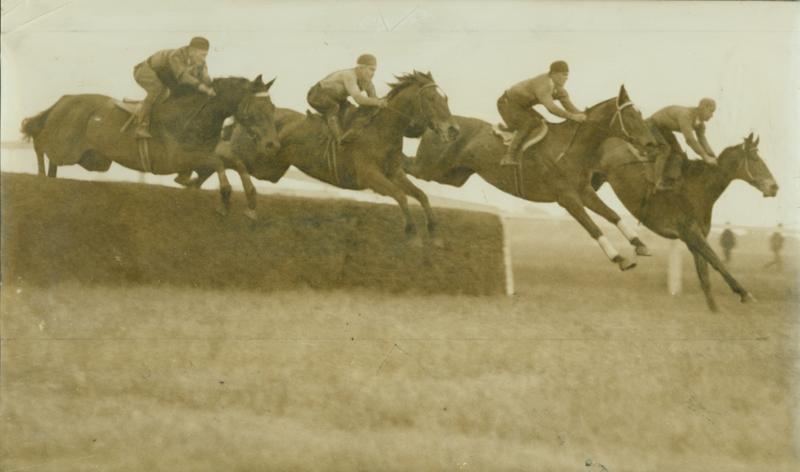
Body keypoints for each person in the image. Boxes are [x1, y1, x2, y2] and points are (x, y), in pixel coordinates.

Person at [496, 60, 586, 166]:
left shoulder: (560, 90)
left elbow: (570, 108)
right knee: (528, 124)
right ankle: (509, 156)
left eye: (567, 75)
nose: (566, 78)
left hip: (522, 106)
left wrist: (585, 114)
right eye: (564, 75)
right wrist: (573, 117)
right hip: (507, 104)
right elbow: (551, 108)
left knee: (542, 123)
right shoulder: (544, 84)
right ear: (554, 74)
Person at [133, 36, 216, 138]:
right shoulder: (176, 55)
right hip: (144, 71)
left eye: (206, 55)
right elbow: (182, 76)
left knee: (174, 95)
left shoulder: (201, 63)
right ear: (192, 51)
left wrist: (214, 88)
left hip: (162, 76)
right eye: (202, 55)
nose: (204, 58)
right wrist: (202, 87)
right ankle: (141, 126)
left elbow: (205, 78)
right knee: (158, 90)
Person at [306, 54, 387, 144]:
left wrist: (381, 102)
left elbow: (374, 99)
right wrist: (378, 102)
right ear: (361, 68)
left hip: (337, 98)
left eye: (374, 70)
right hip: (317, 94)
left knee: (352, 111)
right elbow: (359, 99)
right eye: (371, 69)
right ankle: (339, 138)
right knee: (334, 108)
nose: (373, 74)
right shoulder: (349, 75)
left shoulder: (368, 83)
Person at [647, 98, 717, 191]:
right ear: (703, 107)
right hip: (652, 125)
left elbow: (702, 140)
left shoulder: (700, 124)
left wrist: (713, 156)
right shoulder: (686, 114)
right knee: (665, 149)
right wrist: (705, 157)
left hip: (664, 130)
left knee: (679, 153)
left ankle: (670, 180)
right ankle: (657, 182)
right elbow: (690, 140)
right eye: (711, 111)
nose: (712, 115)